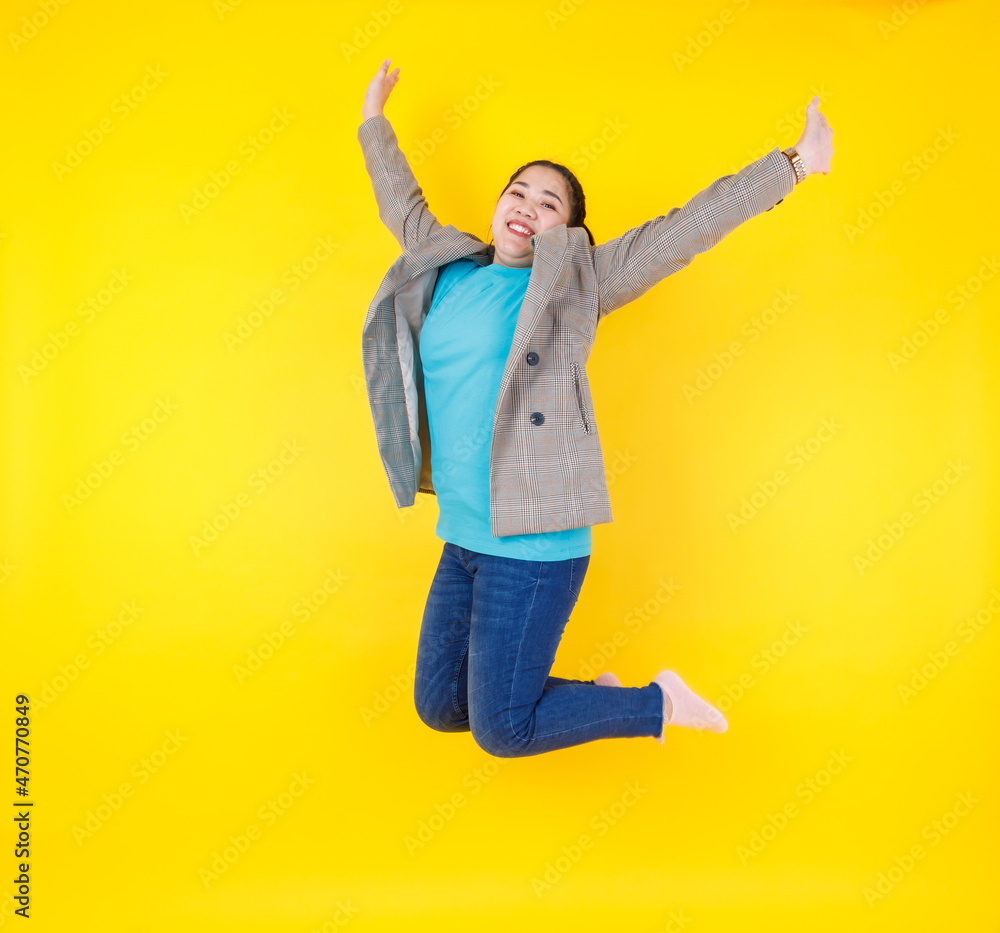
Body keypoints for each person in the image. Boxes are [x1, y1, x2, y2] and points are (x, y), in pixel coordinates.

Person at [358, 58, 833, 758]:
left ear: (567, 233)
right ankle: (597, 699)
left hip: (533, 544)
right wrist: (373, 116)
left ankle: (656, 702)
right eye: (518, 191)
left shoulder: (576, 288)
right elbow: (399, 200)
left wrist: (794, 164)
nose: (528, 205)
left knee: (502, 729)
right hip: (462, 535)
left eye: (550, 204)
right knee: (440, 704)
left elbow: (683, 231)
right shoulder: (447, 267)